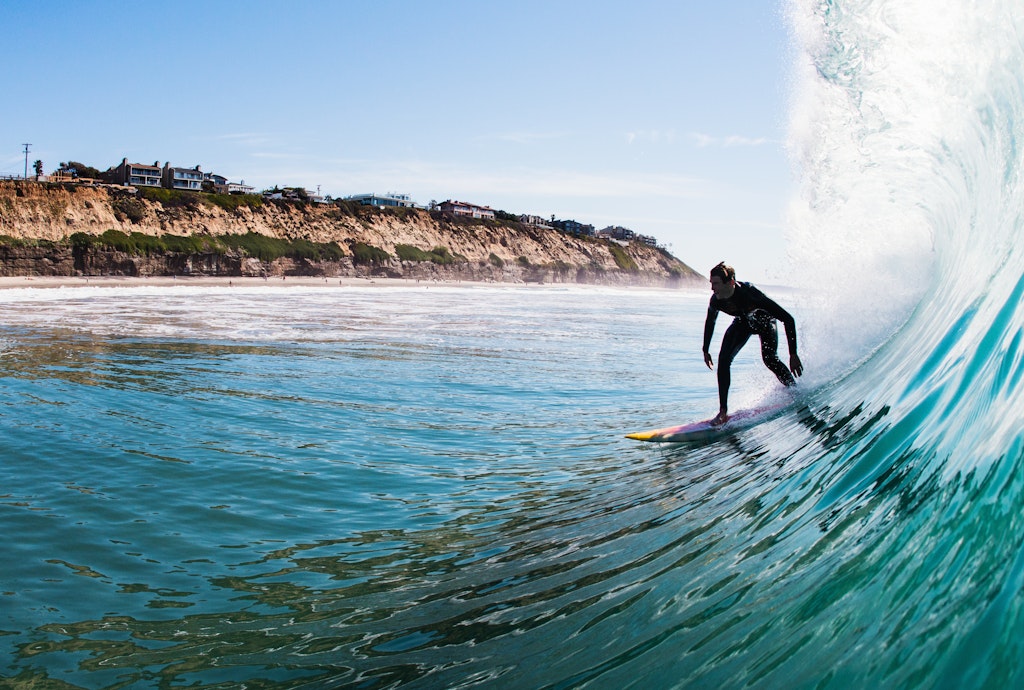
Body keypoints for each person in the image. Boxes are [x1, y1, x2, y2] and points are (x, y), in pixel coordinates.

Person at [702, 262, 803, 425]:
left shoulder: (751, 294)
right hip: (743, 323)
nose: (712, 288)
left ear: (730, 282)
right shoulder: (716, 300)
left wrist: (793, 354)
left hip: (765, 323)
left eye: (716, 284)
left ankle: (794, 391)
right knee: (724, 360)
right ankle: (723, 412)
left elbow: (788, 319)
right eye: (711, 283)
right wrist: (705, 349)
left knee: (769, 359)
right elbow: (710, 321)